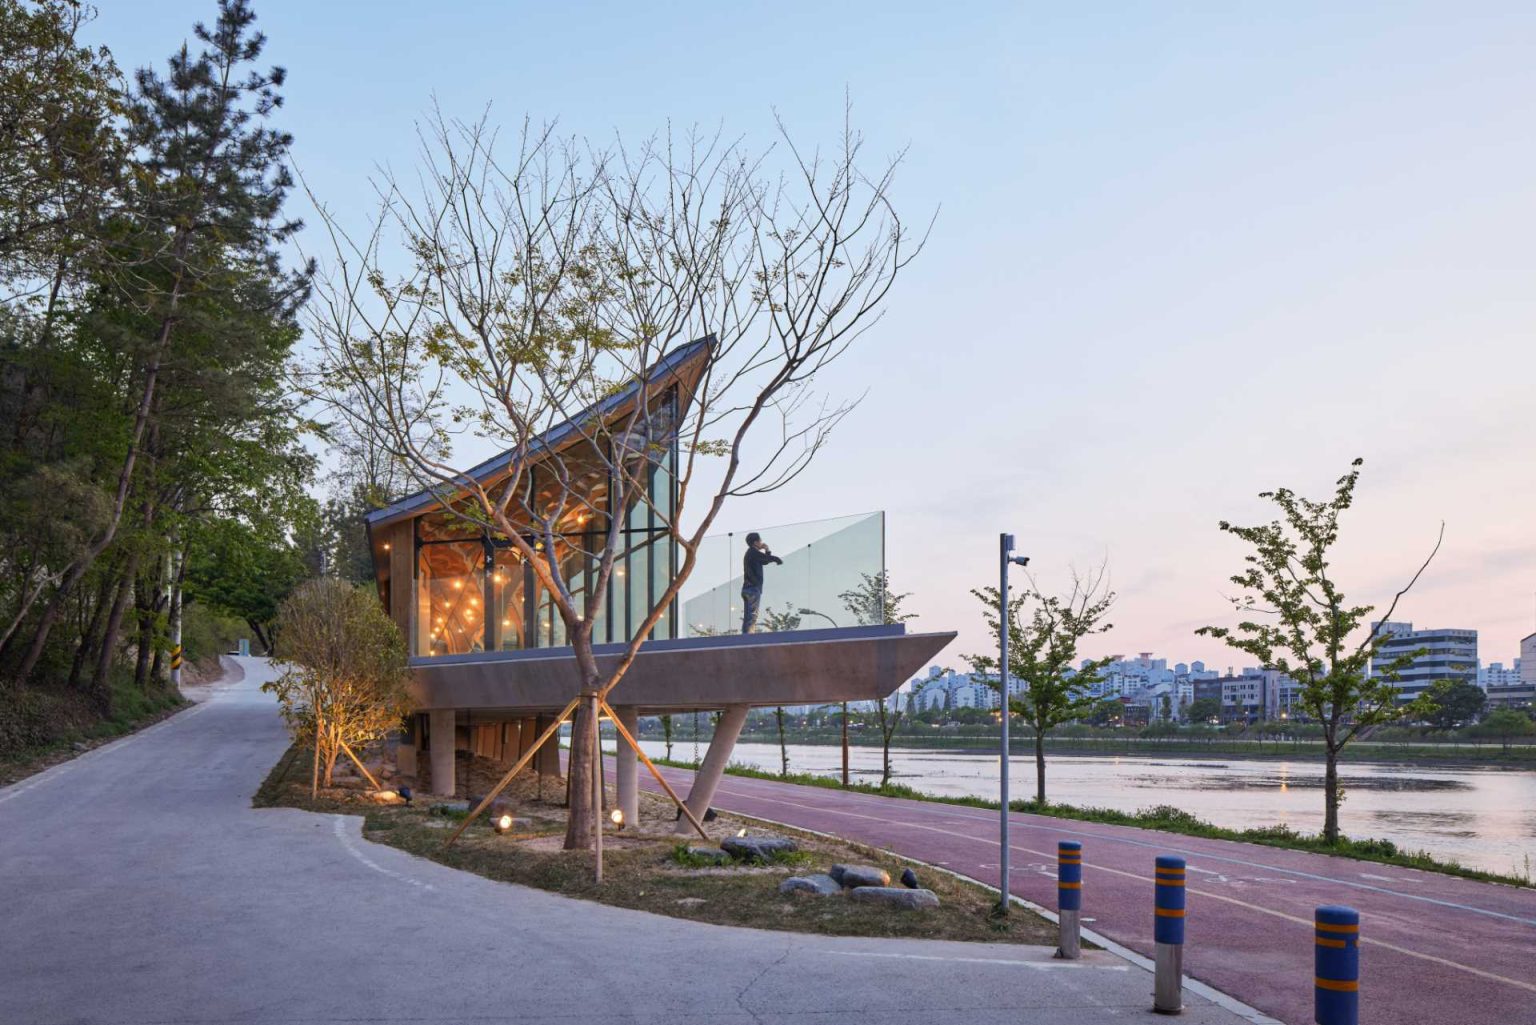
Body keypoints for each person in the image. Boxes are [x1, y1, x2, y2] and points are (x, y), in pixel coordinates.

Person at [740, 532, 782, 634]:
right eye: (760, 541)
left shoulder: (752, 553)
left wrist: (766, 550)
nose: (761, 542)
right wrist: (777, 559)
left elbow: (764, 561)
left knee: (749, 616)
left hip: (748, 588)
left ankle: (746, 637)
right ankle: (747, 639)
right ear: (756, 542)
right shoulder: (752, 552)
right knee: (752, 616)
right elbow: (766, 559)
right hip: (752, 588)